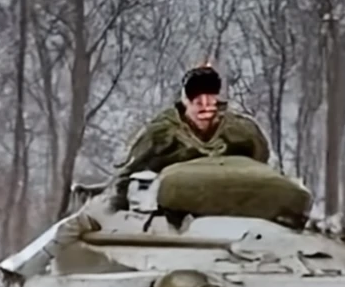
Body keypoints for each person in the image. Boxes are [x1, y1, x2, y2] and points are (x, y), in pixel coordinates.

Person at [113, 63, 271, 198]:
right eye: (198, 103)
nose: (205, 109)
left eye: (210, 102)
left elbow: (261, 168)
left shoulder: (242, 132)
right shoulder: (160, 134)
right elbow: (129, 174)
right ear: (186, 103)